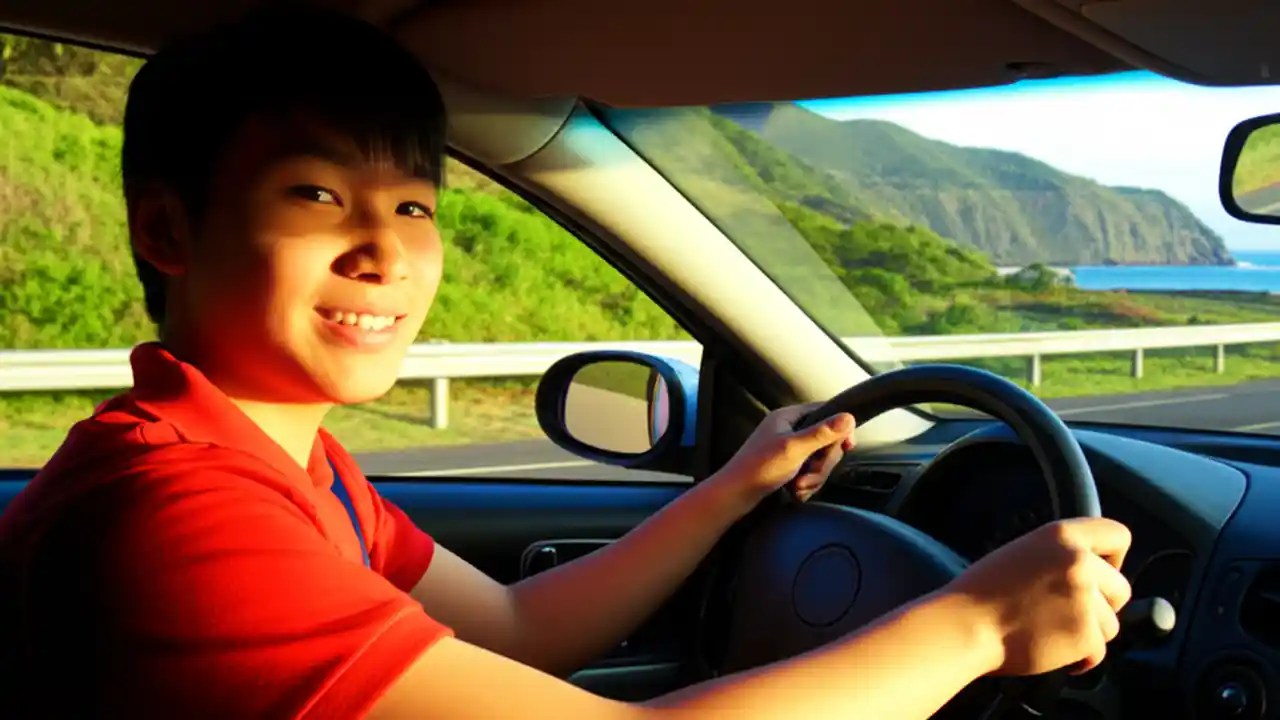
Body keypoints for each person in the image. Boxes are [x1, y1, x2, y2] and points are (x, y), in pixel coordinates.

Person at [0, 5, 1133, 718]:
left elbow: (513, 630)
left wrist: (731, 491)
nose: (384, 250)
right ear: (169, 229)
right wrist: (973, 625)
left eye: (412, 205)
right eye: (316, 195)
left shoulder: (287, 462)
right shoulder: (174, 513)